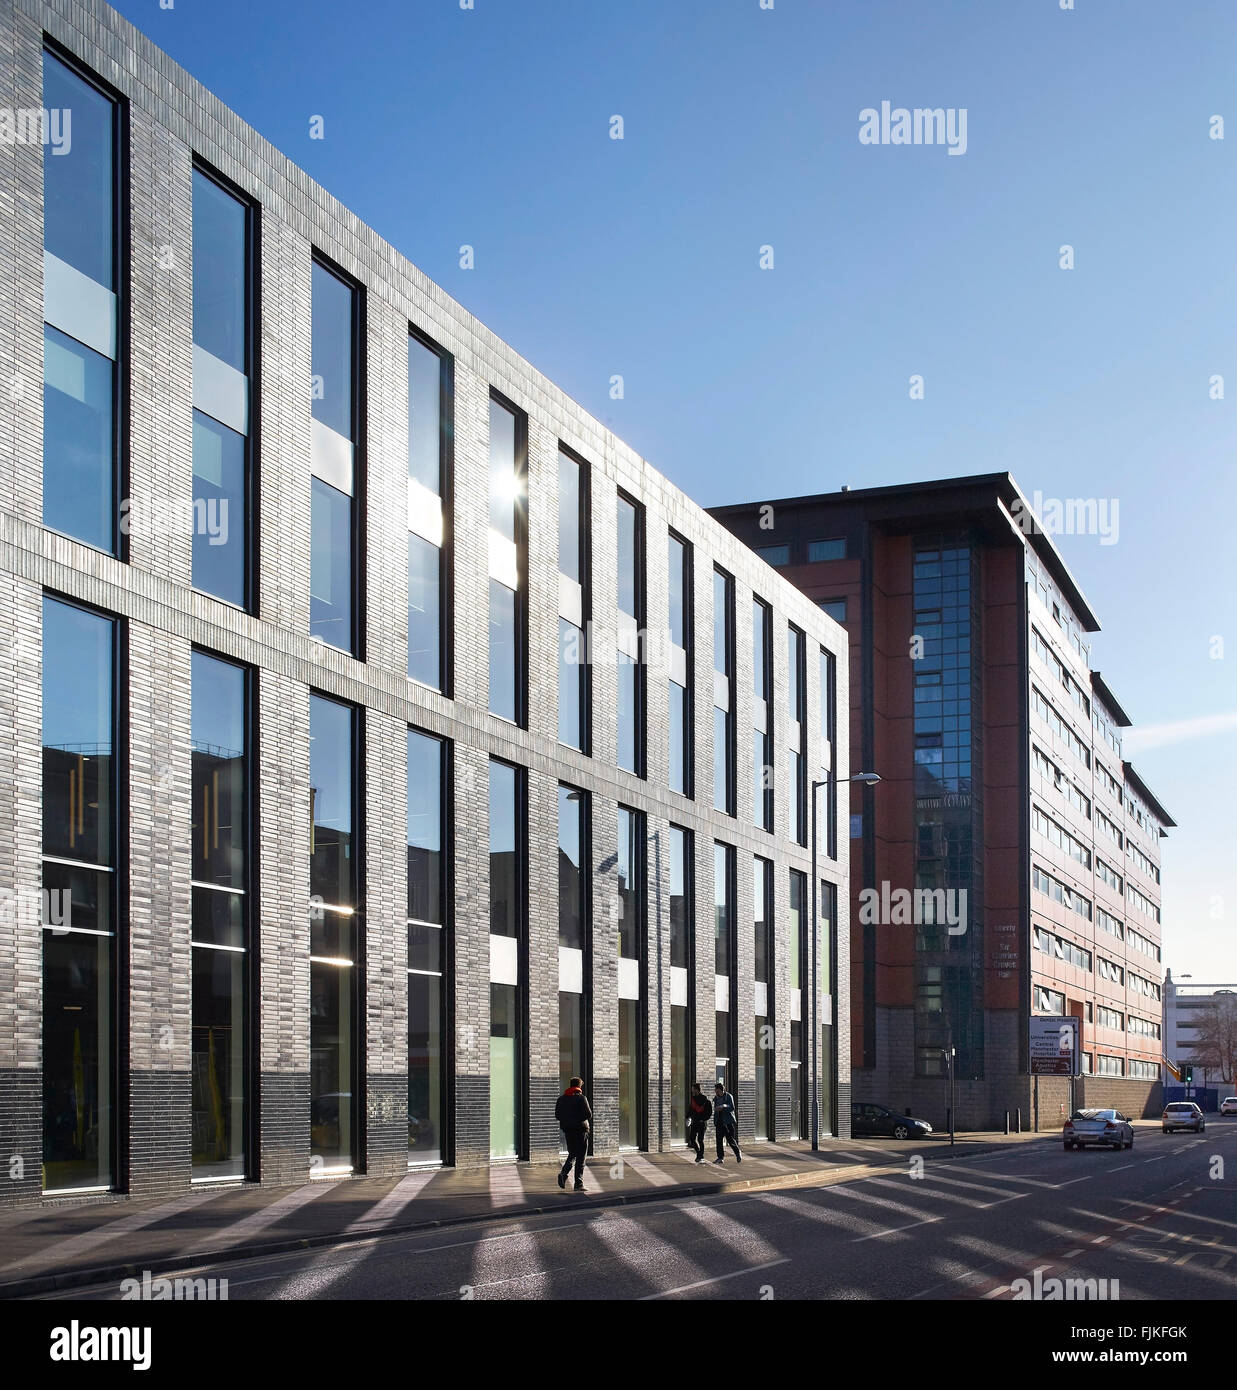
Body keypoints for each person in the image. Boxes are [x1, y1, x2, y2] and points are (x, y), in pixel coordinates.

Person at [555, 1076, 592, 1191]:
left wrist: (568, 1121)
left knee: (572, 1154)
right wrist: (577, 1119)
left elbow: (557, 1115)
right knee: (581, 1157)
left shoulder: (561, 1099)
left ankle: (563, 1173)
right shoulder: (581, 1098)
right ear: (579, 1086)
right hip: (581, 1131)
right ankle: (578, 1184)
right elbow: (588, 1114)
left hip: (568, 1130)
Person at [712, 1082, 741, 1164]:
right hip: (719, 1122)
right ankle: (720, 1158)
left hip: (728, 1122)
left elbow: (732, 1107)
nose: (716, 1093)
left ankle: (738, 1153)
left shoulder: (728, 1096)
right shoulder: (716, 1098)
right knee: (719, 1141)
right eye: (715, 1091)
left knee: (730, 1140)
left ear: (722, 1090)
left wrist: (723, 1107)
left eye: (717, 1091)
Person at [687, 1082, 712, 1162]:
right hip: (695, 1122)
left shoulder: (705, 1100)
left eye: (693, 1089)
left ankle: (701, 1155)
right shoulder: (693, 1099)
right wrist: (687, 1117)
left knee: (700, 1139)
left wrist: (703, 1119)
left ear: (697, 1090)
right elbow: (691, 1109)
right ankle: (699, 1153)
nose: (692, 1090)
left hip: (702, 1123)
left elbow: (709, 1113)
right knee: (692, 1139)